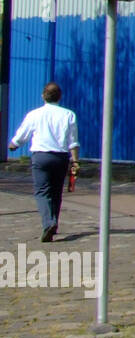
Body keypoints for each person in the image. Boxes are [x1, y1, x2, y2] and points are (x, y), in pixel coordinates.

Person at [8, 82, 80, 242]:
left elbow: (22, 135)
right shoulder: (68, 114)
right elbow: (73, 141)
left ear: (43, 96)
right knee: (56, 192)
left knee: (42, 191)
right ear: (59, 97)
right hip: (61, 157)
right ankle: (53, 222)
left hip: (41, 156)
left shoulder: (34, 114)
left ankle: (49, 222)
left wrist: (13, 145)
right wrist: (75, 161)